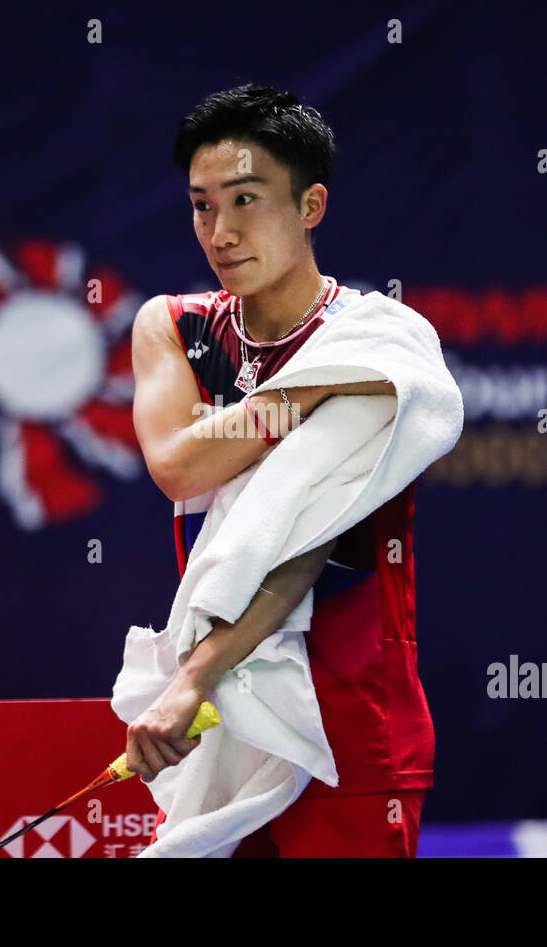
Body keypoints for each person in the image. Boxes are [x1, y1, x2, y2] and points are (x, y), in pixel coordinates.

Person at [125, 84, 433, 857]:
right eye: (201, 206)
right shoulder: (176, 327)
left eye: (246, 200)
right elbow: (176, 467)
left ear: (311, 205)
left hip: (352, 718)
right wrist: (317, 387)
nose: (221, 232)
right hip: (216, 724)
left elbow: (301, 547)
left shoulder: (383, 343)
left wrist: (195, 676)